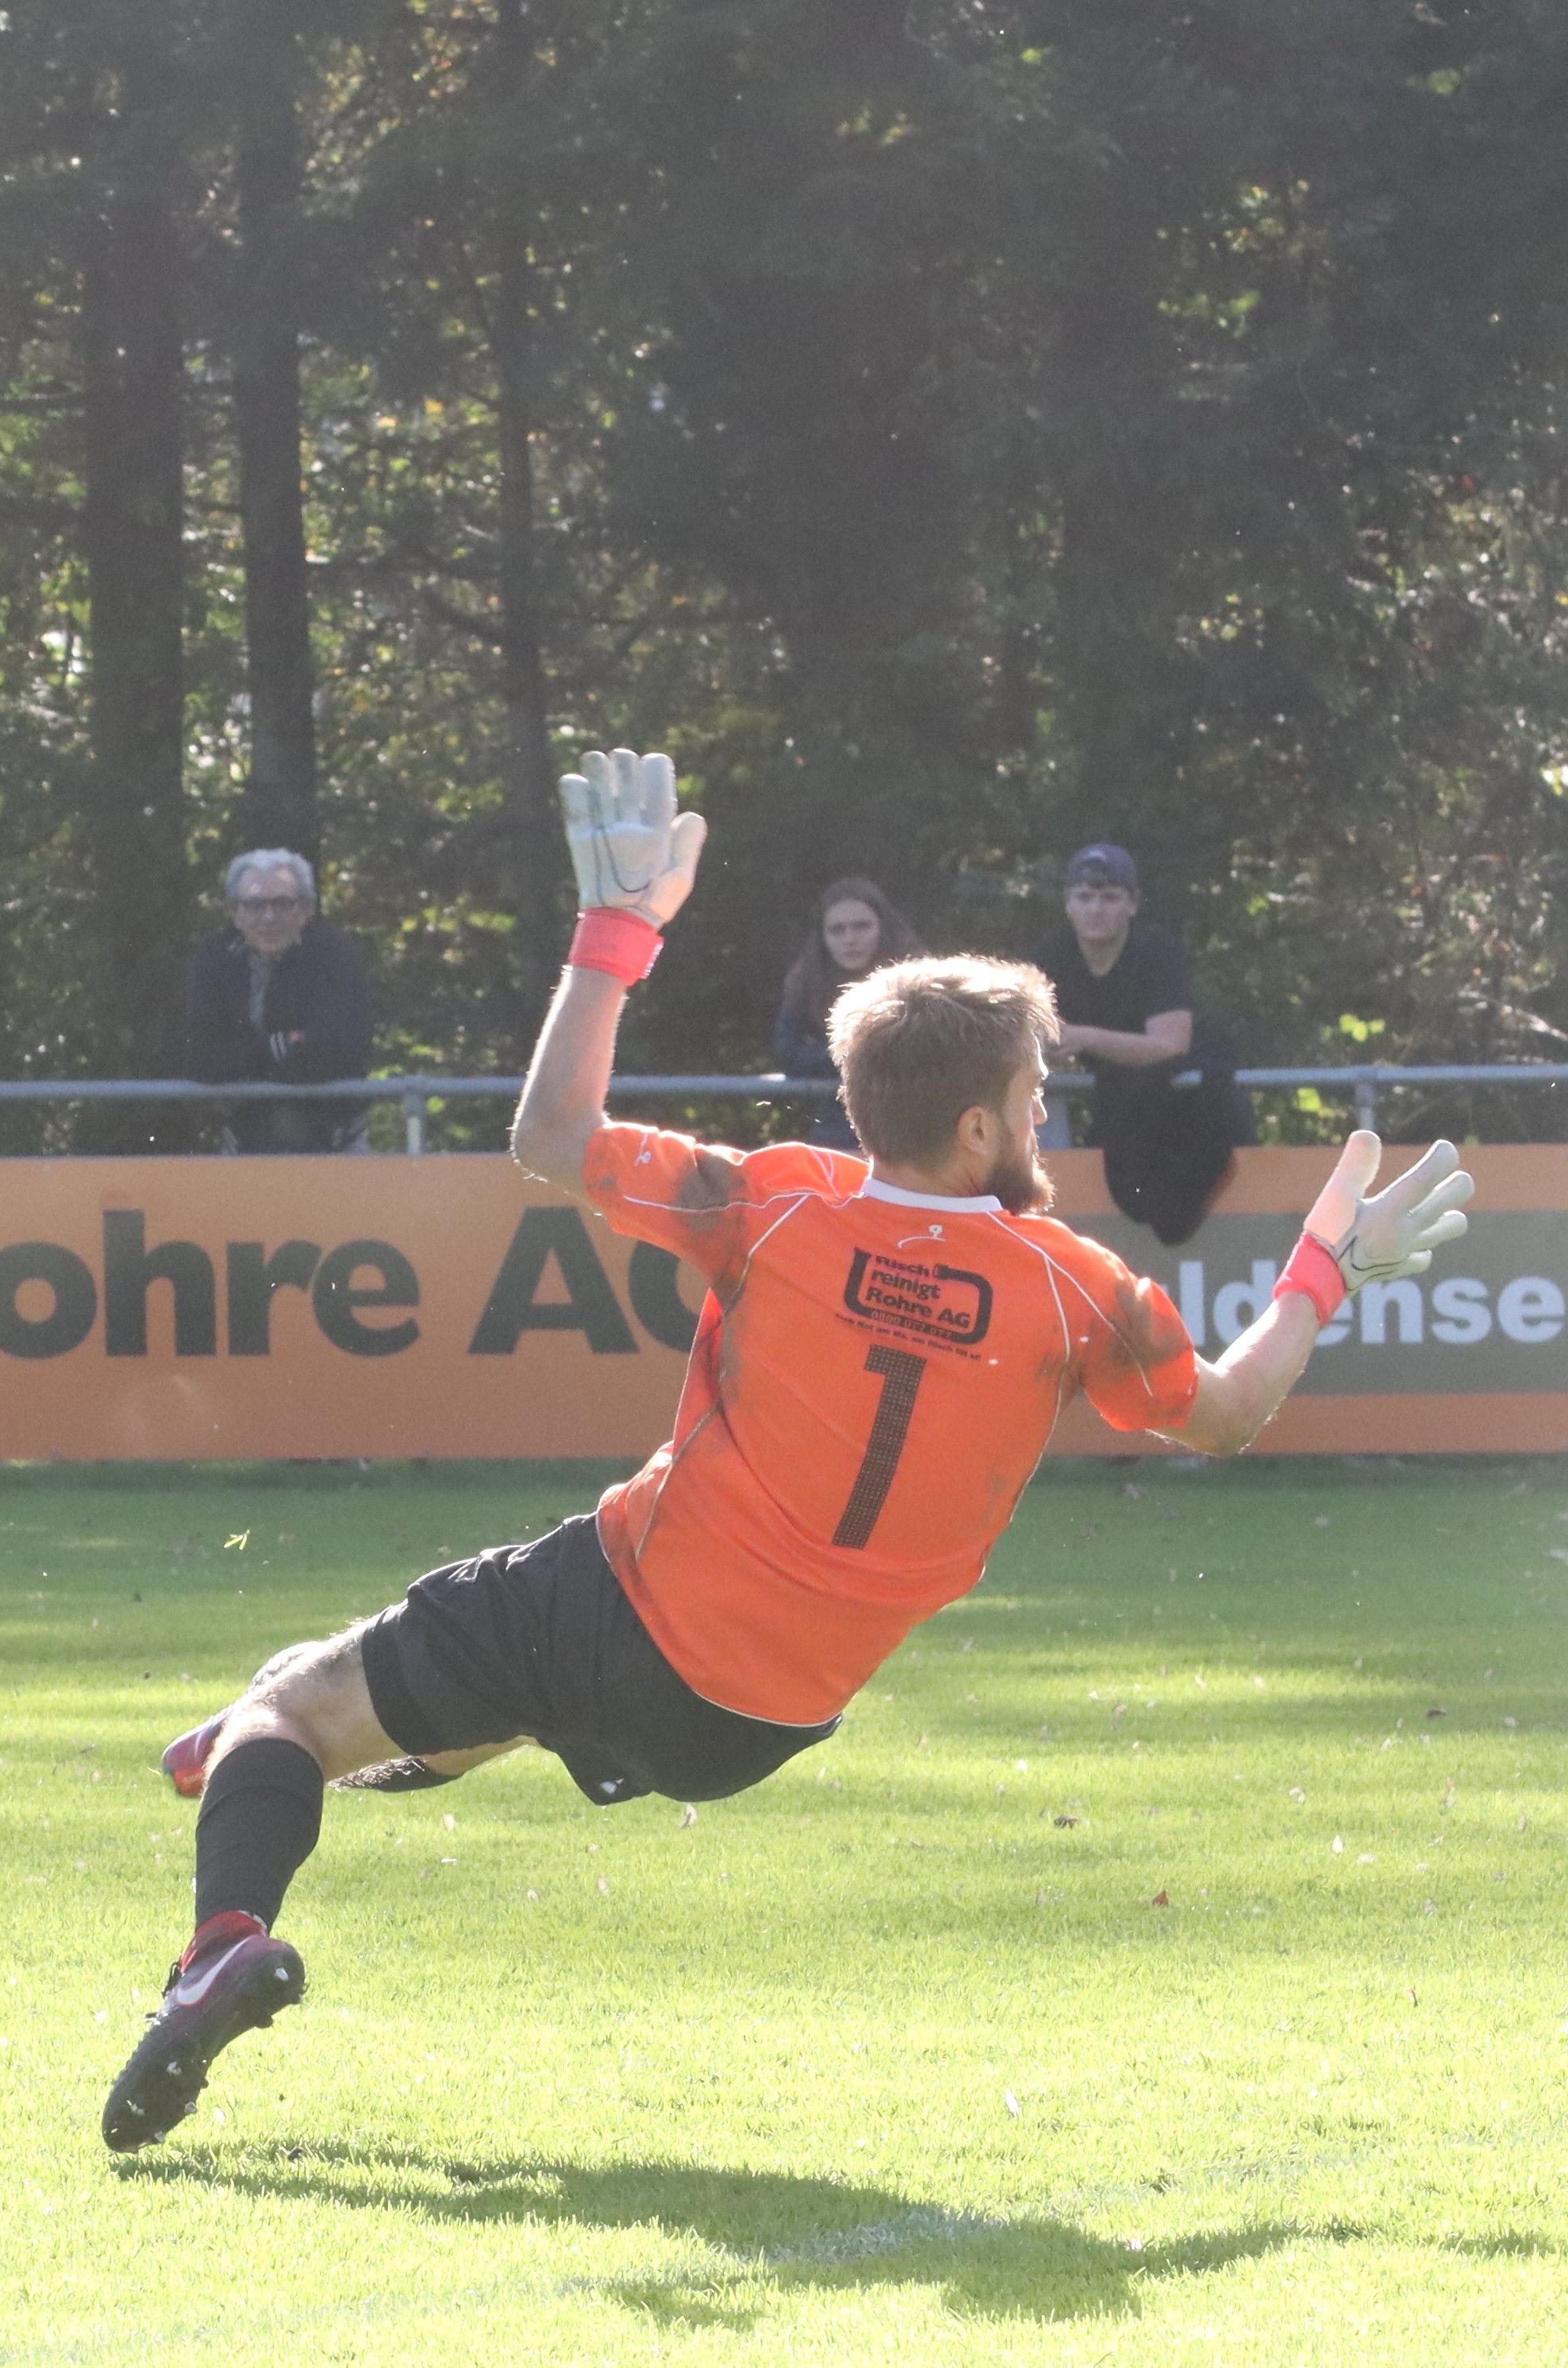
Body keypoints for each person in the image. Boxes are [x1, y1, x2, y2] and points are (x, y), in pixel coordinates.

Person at [98, 750, 1473, 2150]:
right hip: (756, 1728)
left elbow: (550, 1135)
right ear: (984, 1123)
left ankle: (225, 1923)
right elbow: (1231, 1412)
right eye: (1039, 1084)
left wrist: (614, 935)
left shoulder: (779, 1203)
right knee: (488, 1702)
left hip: (634, 1604)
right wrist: (1322, 1266)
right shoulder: (1077, 1289)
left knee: (289, 1703)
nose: (1049, 1106)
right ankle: (297, 1777)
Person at [1027, 842, 1245, 1242]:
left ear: (1132, 904)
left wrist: (1084, 1037)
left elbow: (1170, 1045)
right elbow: (1033, 1035)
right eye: (1085, 897)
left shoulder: (1156, 952)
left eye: (1110, 897)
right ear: (1068, 905)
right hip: (1115, 1105)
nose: (1096, 909)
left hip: (1186, 1101)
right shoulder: (1050, 955)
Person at [179, 849, 375, 1153]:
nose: (268, 917)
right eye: (255, 905)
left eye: (282, 904)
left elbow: (337, 1050)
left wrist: (246, 1069)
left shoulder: (334, 955)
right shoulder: (214, 959)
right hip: (243, 1144)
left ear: (306, 909)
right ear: (235, 913)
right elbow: (200, 1055)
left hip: (334, 1143)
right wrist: (281, 1047)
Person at [770, 877, 921, 1150]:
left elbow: (924, 1053)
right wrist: (860, 1056)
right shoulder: (805, 980)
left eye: (861, 926)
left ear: (883, 927)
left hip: (913, 1125)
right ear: (823, 936)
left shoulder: (921, 979)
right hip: (837, 1124)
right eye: (837, 930)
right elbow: (787, 1053)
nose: (850, 939)